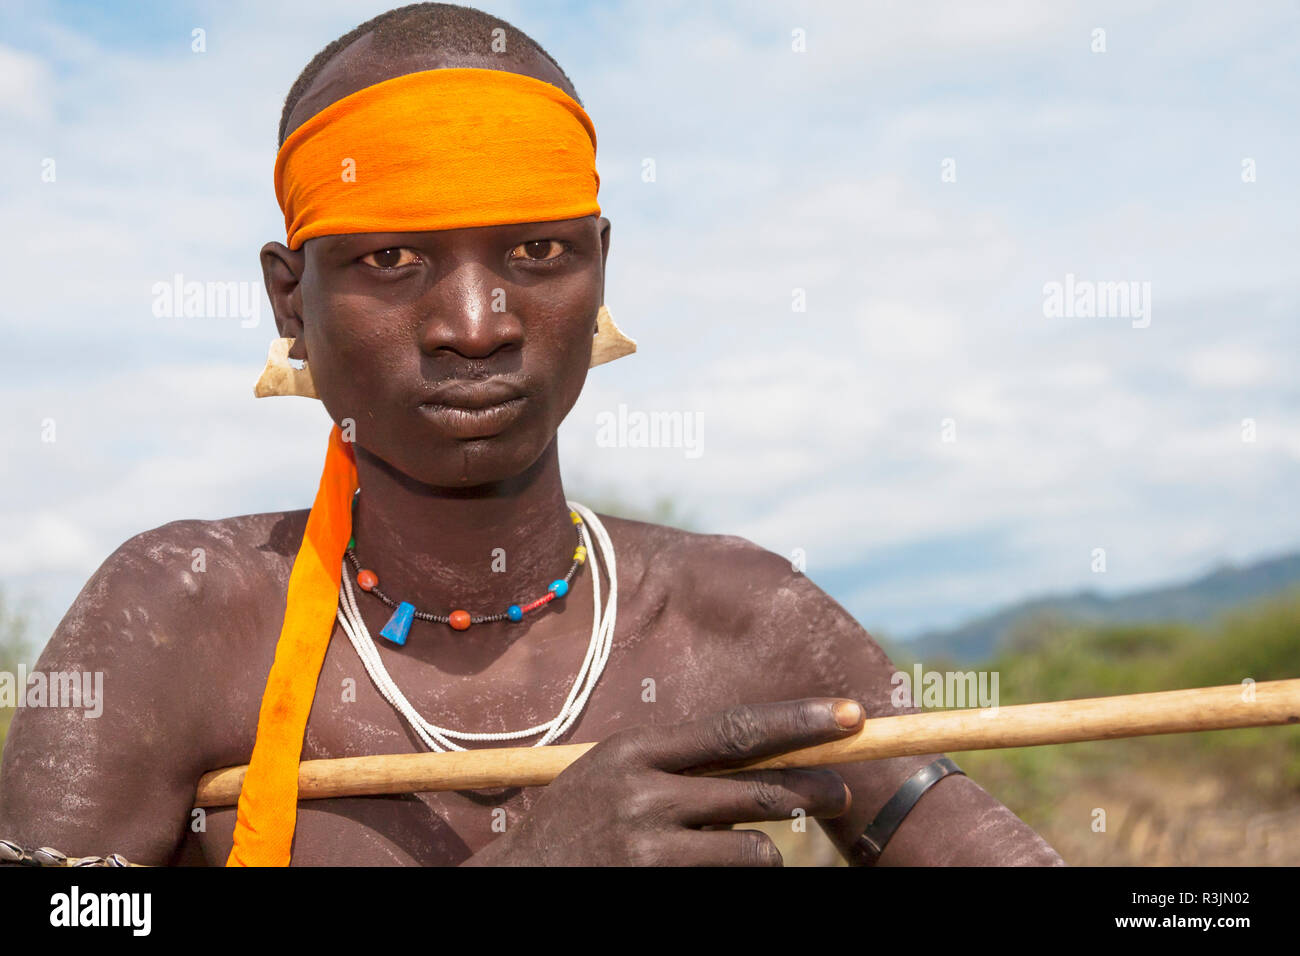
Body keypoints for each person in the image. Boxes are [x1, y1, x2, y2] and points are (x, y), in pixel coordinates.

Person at [0, 2, 1065, 867]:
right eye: (392, 261)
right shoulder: (181, 614)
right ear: (291, 300)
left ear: (599, 268)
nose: (477, 324)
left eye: (538, 250)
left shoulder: (739, 619)